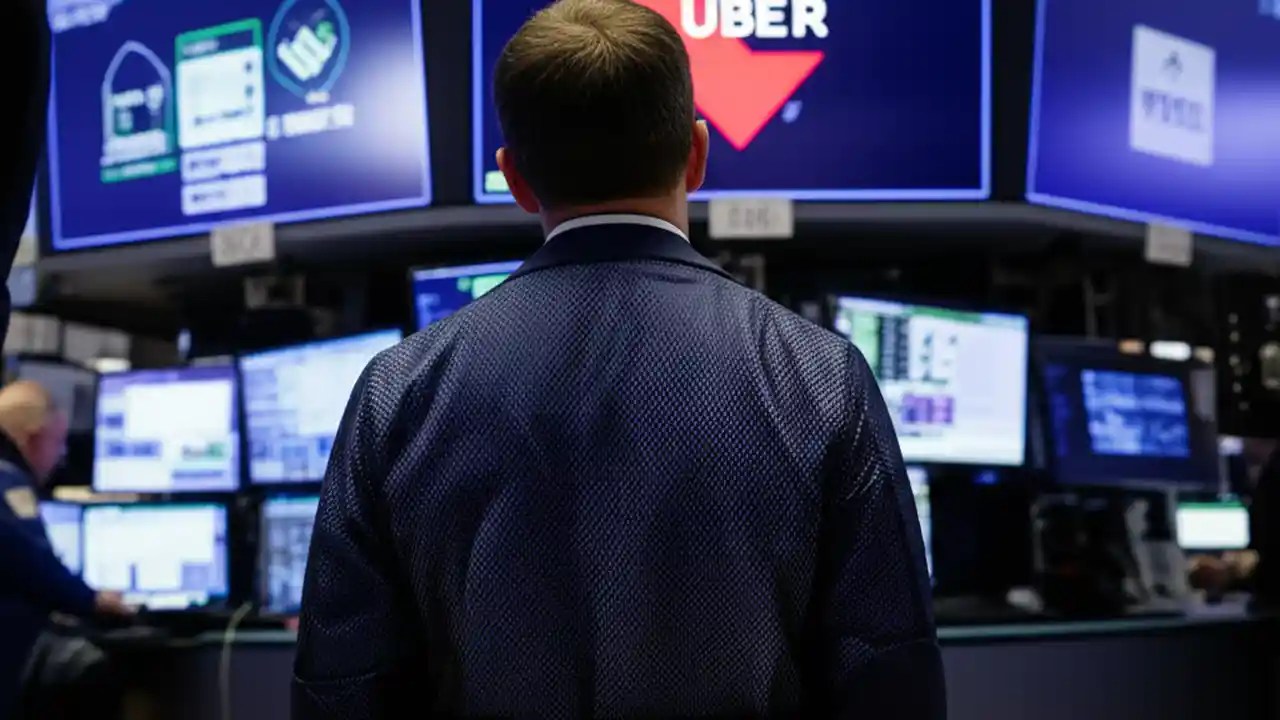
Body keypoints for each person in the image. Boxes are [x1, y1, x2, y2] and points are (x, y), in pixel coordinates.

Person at [294, 0, 942, 717]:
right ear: (696, 154)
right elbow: (889, 679)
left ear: (514, 179)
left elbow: (342, 690)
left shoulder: (399, 392)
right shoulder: (820, 379)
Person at [0, 381, 133, 717]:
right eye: (58, 443)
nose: (61, 456)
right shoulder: (9, 480)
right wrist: (93, 601)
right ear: (33, 438)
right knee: (87, 668)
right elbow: (31, 561)